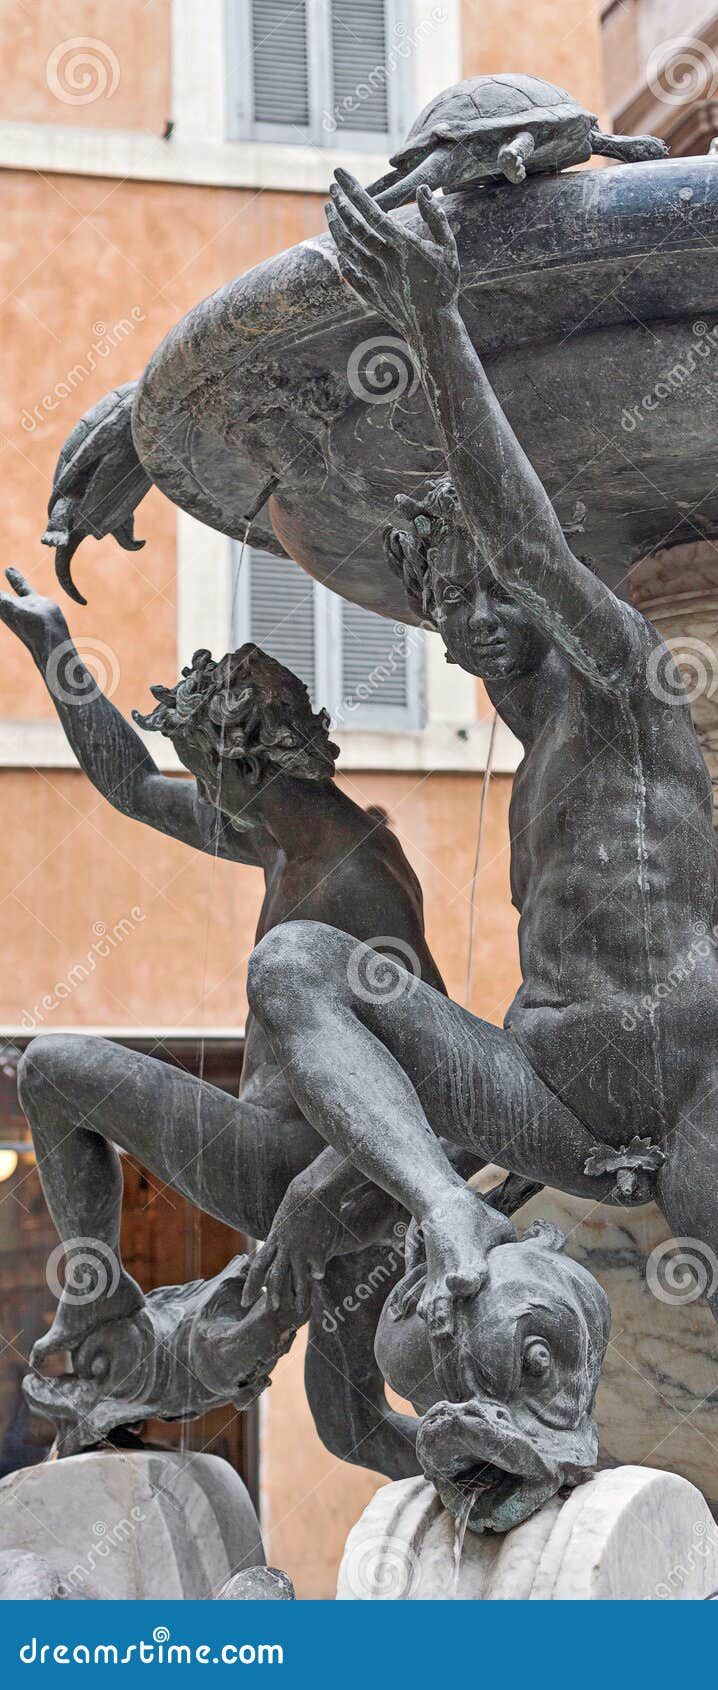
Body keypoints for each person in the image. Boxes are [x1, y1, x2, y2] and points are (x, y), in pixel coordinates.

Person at [242, 170, 718, 1595]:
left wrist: (433, 320)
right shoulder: (531, 728)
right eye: (440, 599)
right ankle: (448, 1212)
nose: (462, 615)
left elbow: (537, 538)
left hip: (690, 1090)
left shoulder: (616, 674)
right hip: (544, 1093)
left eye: (476, 585)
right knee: (295, 965)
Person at [0, 569, 463, 1474]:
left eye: (206, 771)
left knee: (50, 1068)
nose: (197, 790)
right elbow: (132, 787)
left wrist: (305, 1208)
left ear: (246, 765)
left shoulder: (355, 882)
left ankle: (96, 1297)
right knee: (352, 1428)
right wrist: (55, 647)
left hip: (293, 1170)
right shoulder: (281, 832)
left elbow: (442, 1080)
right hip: (324, 1190)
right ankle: (500, 1480)